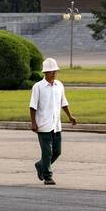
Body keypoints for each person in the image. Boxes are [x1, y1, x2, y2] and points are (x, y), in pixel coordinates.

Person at [29, 57, 77, 185]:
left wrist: (70, 116)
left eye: (55, 71)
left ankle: (40, 165)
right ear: (45, 73)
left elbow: (64, 103)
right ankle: (47, 176)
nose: (54, 73)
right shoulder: (38, 87)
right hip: (43, 125)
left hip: (56, 125)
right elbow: (33, 106)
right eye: (51, 71)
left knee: (57, 151)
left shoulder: (59, 85)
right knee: (47, 152)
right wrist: (33, 123)